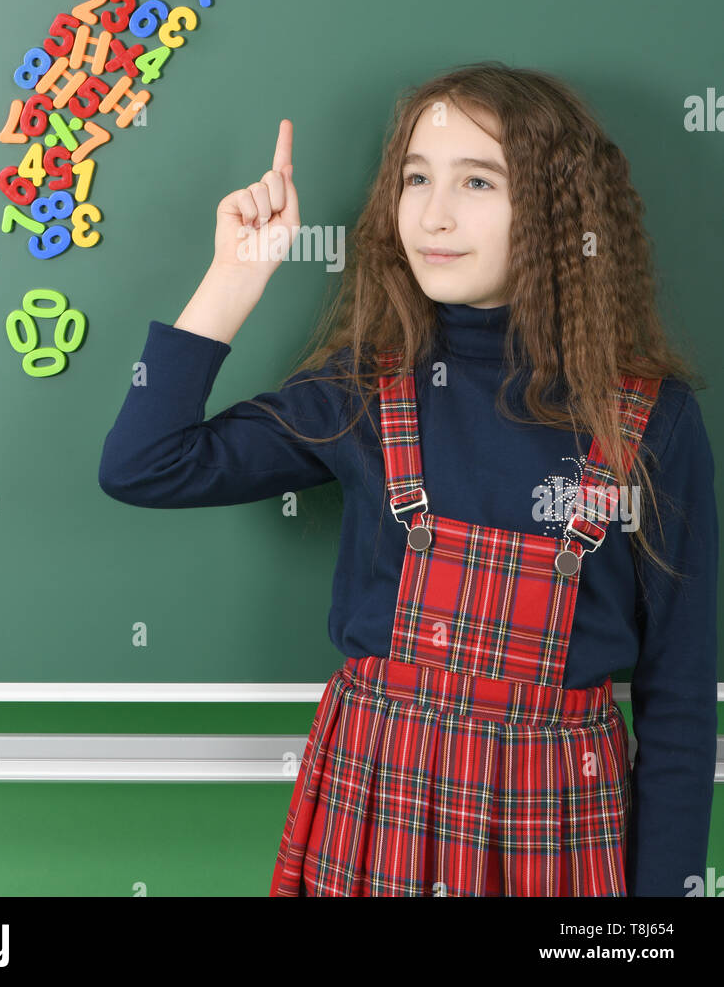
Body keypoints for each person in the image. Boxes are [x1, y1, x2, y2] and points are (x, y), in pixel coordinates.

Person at [98, 61, 718, 897]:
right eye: (416, 178)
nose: (434, 213)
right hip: (374, 808)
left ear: (557, 208)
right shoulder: (361, 389)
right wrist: (236, 275)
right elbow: (144, 464)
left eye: (477, 181)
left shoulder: (650, 417)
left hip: (558, 830)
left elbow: (678, 700)